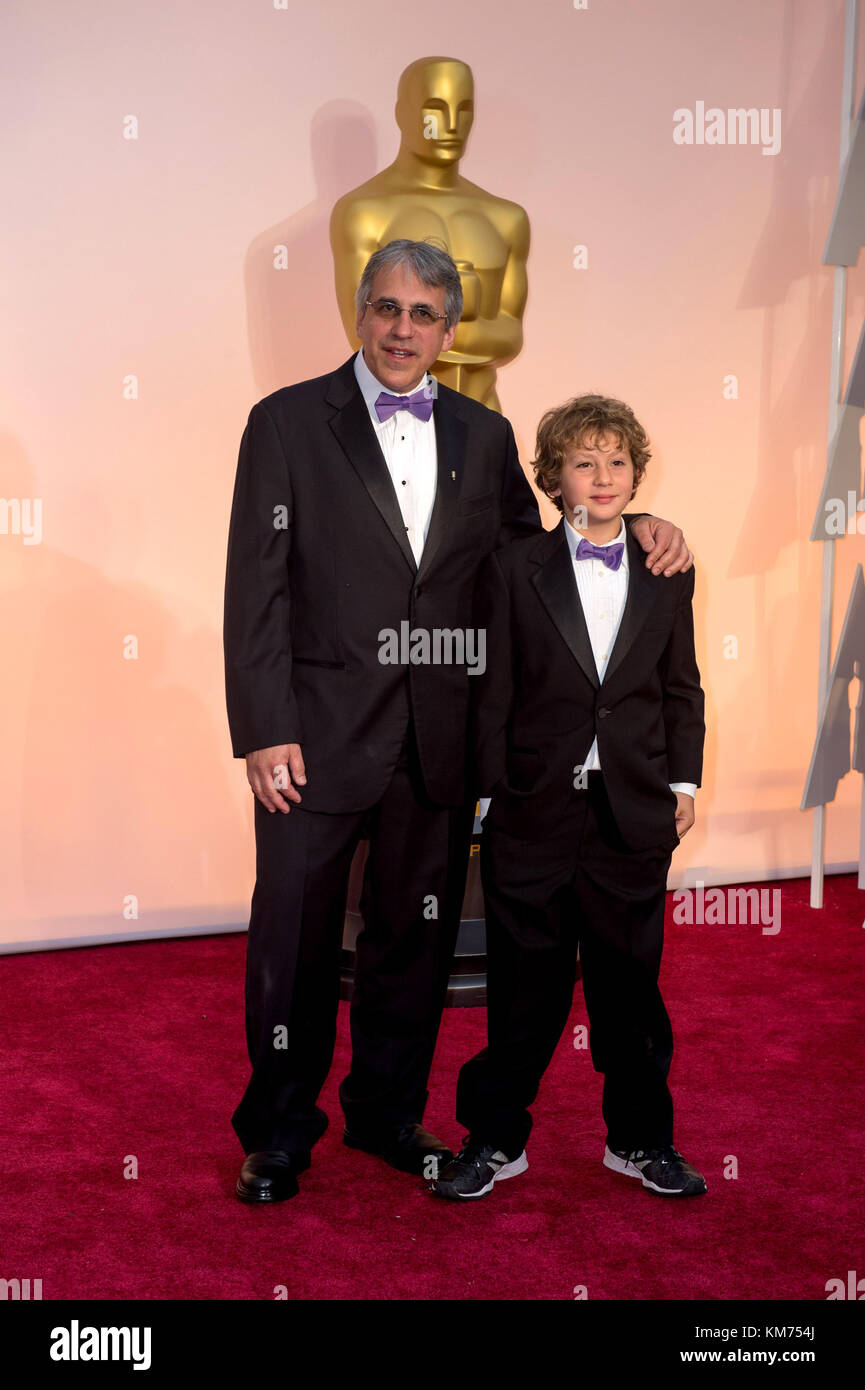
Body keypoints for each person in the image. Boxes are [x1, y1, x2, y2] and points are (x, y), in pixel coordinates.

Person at [223, 244, 692, 1204]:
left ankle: (387, 1115)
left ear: (448, 331)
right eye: (387, 308)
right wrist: (265, 728)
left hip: (440, 737)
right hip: (312, 737)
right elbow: (254, 589)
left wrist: (640, 526)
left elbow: (534, 562)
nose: (403, 329)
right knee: (294, 943)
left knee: (413, 938)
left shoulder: (483, 434)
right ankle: (277, 1133)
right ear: (360, 312)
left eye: (424, 315)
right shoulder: (283, 423)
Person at [432, 394, 706, 1202]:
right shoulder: (513, 570)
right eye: (583, 462)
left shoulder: (667, 566)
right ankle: (492, 1140)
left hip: (632, 812)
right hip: (535, 810)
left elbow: (681, 686)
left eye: (617, 461)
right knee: (526, 989)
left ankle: (640, 1141)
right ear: (552, 479)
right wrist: (490, 796)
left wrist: (681, 781)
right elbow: (493, 691)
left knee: (630, 993)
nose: (602, 475)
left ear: (636, 475)